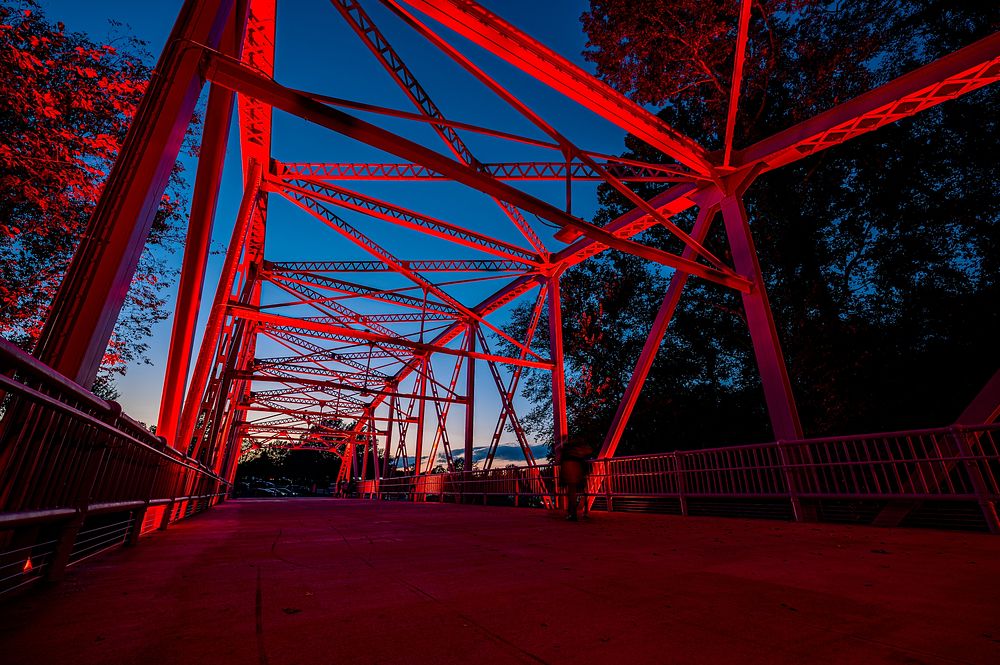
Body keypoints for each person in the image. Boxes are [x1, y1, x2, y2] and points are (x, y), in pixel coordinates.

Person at [558, 436, 593, 521]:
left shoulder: (566, 450)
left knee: (571, 493)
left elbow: (560, 460)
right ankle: (585, 512)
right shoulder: (579, 449)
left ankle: (572, 513)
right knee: (583, 491)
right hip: (578, 470)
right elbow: (589, 451)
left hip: (568, 470)